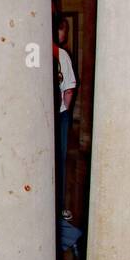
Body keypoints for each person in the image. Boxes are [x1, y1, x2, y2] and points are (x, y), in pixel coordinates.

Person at [53, 16, 76, 216]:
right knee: (58, 160)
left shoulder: (35, 50)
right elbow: (68, 90)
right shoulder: (61, 55)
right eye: (64, 29)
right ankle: (58, 208)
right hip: (58, 115)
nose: (65, 34)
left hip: (39, 116)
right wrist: (65, 110)